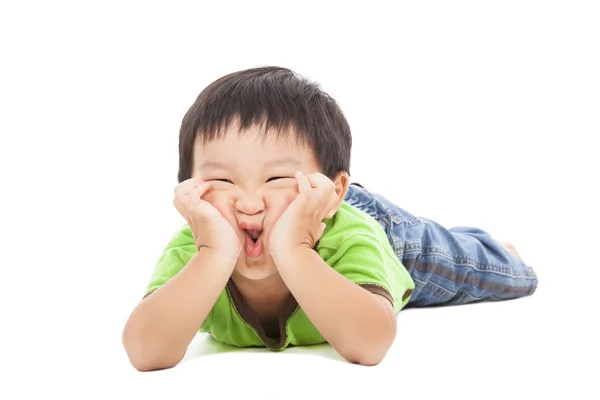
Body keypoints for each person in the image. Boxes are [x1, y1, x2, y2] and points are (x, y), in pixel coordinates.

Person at [121, 66, 538, 371]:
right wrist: (213, 257)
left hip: (382, 231)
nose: (249, 203)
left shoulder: (350, 237)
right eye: (222, 180)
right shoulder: (196, 247)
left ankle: (495, 247)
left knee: (468, 266)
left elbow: (370, 344)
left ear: (332, 188)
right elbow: (144, 352)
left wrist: (294, 249)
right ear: (189, 189)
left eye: (278, 177)